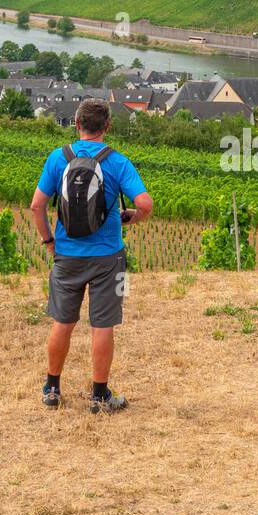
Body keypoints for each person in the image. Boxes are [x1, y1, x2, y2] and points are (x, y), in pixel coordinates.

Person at [29, 99, 152, 413]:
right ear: (107, 126)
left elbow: (36, 206)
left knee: (63, 322)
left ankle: (52, 389)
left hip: (67, 255)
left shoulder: (58, 158)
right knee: (102, 325)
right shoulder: (118, 162)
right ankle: (99, 396)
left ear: (76, 123)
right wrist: (132, 217)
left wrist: (49, 241)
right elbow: (145, 204)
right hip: (109, 256)